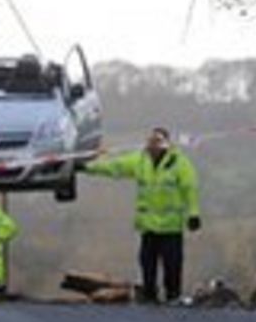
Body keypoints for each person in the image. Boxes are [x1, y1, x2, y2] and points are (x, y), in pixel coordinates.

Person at [80, 127, 201, 304]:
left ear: (167, 144)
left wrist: (193, 213)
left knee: (172, 265)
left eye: (157, 142)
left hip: (171, 227)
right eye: (150, 142)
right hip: (148, 226)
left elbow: (190, 188)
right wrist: (86, 167)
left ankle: (173, 296)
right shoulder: (140, 160)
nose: (153, 146)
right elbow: (115, 166)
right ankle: (150, 296)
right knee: (147, 264)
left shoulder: (180, 163)